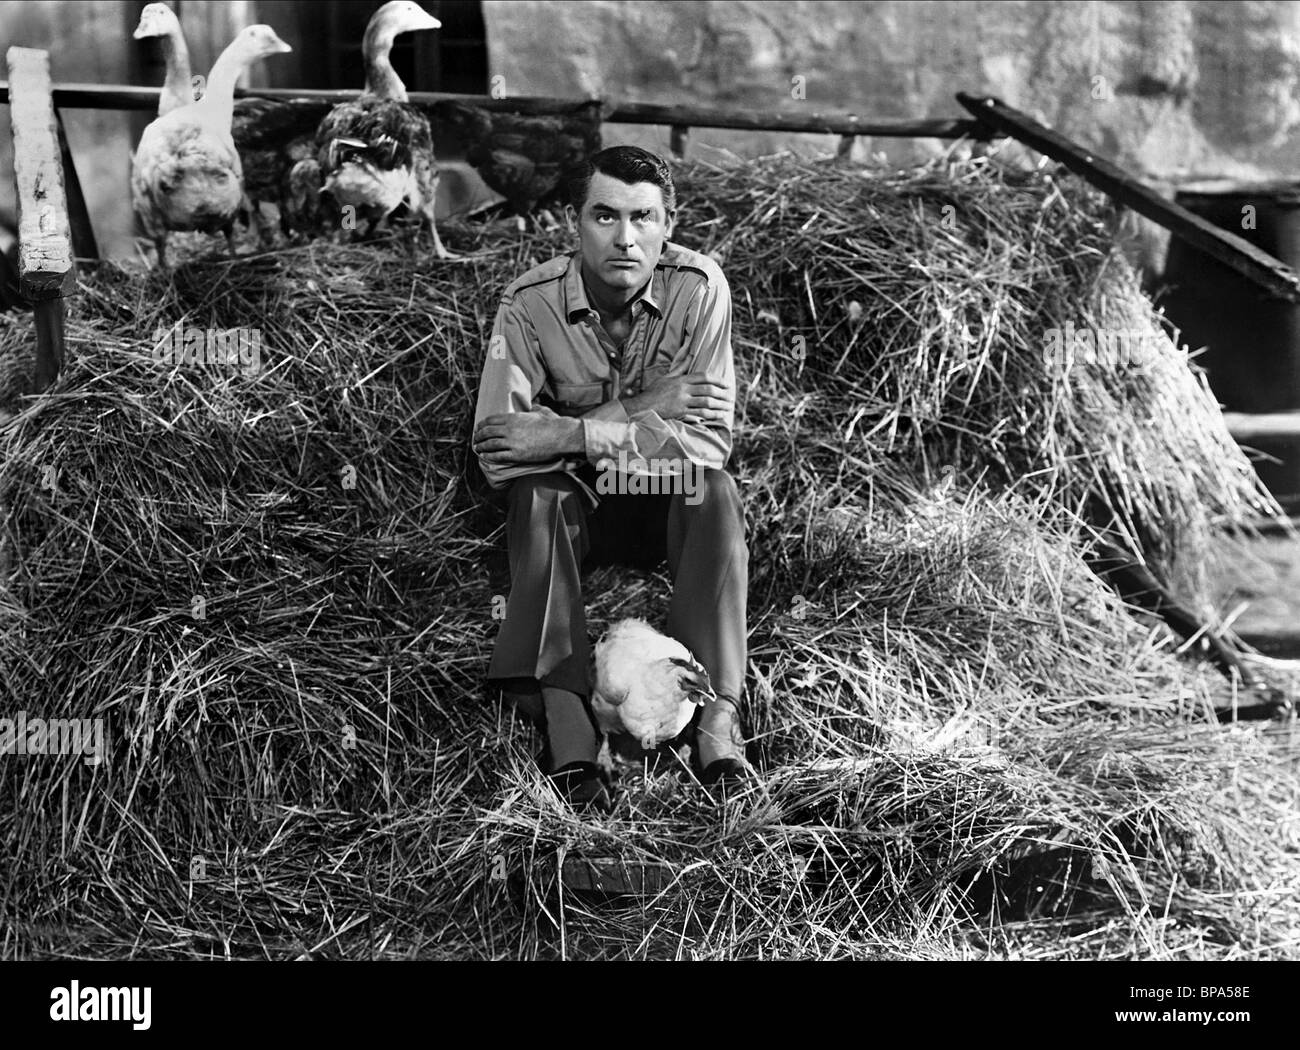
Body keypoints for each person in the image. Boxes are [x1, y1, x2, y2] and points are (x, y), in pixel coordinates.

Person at [471, 145, 752, 813]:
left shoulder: (700, 288)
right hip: (581, 503)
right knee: (537, 494)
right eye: (604, 216)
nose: (625, 238)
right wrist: (641, 412)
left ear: (668, 222)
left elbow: (707, 444)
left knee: (713, 492)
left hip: (660, 501)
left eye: (643, 218)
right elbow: (497, 455)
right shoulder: (526, 303)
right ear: (573, 221)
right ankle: (565, 711)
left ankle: (717, 714)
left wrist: (566, 431)